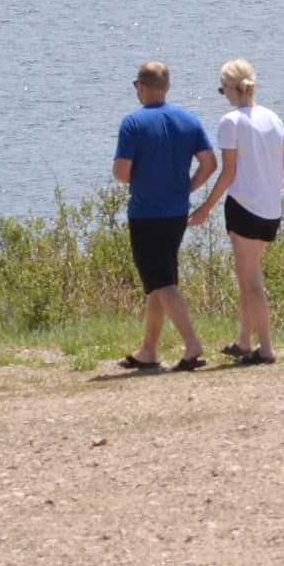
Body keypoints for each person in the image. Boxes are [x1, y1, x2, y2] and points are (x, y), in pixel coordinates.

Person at [189, 58, 284, 366]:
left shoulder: (231, 122)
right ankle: (244, 339)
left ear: (229, 87)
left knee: (251, 280)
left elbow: (228, 173)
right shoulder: (273, 118)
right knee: (244, 274)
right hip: (270, 212)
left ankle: (265, 348)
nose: (223, 94)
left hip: (243, 208)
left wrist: (204, 207)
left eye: (222, 89)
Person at [112, 60, 217, 372]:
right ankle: (148, 350)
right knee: (158, 283)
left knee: (164, 283)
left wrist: (147, 178)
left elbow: (121, 172)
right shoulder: (188, 120)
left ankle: (192, 344)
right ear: (167, 87)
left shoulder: (132, 124)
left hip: (146, 215)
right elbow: (210, 163)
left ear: (141, 87)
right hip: (176, 214)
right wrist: (186, 188)